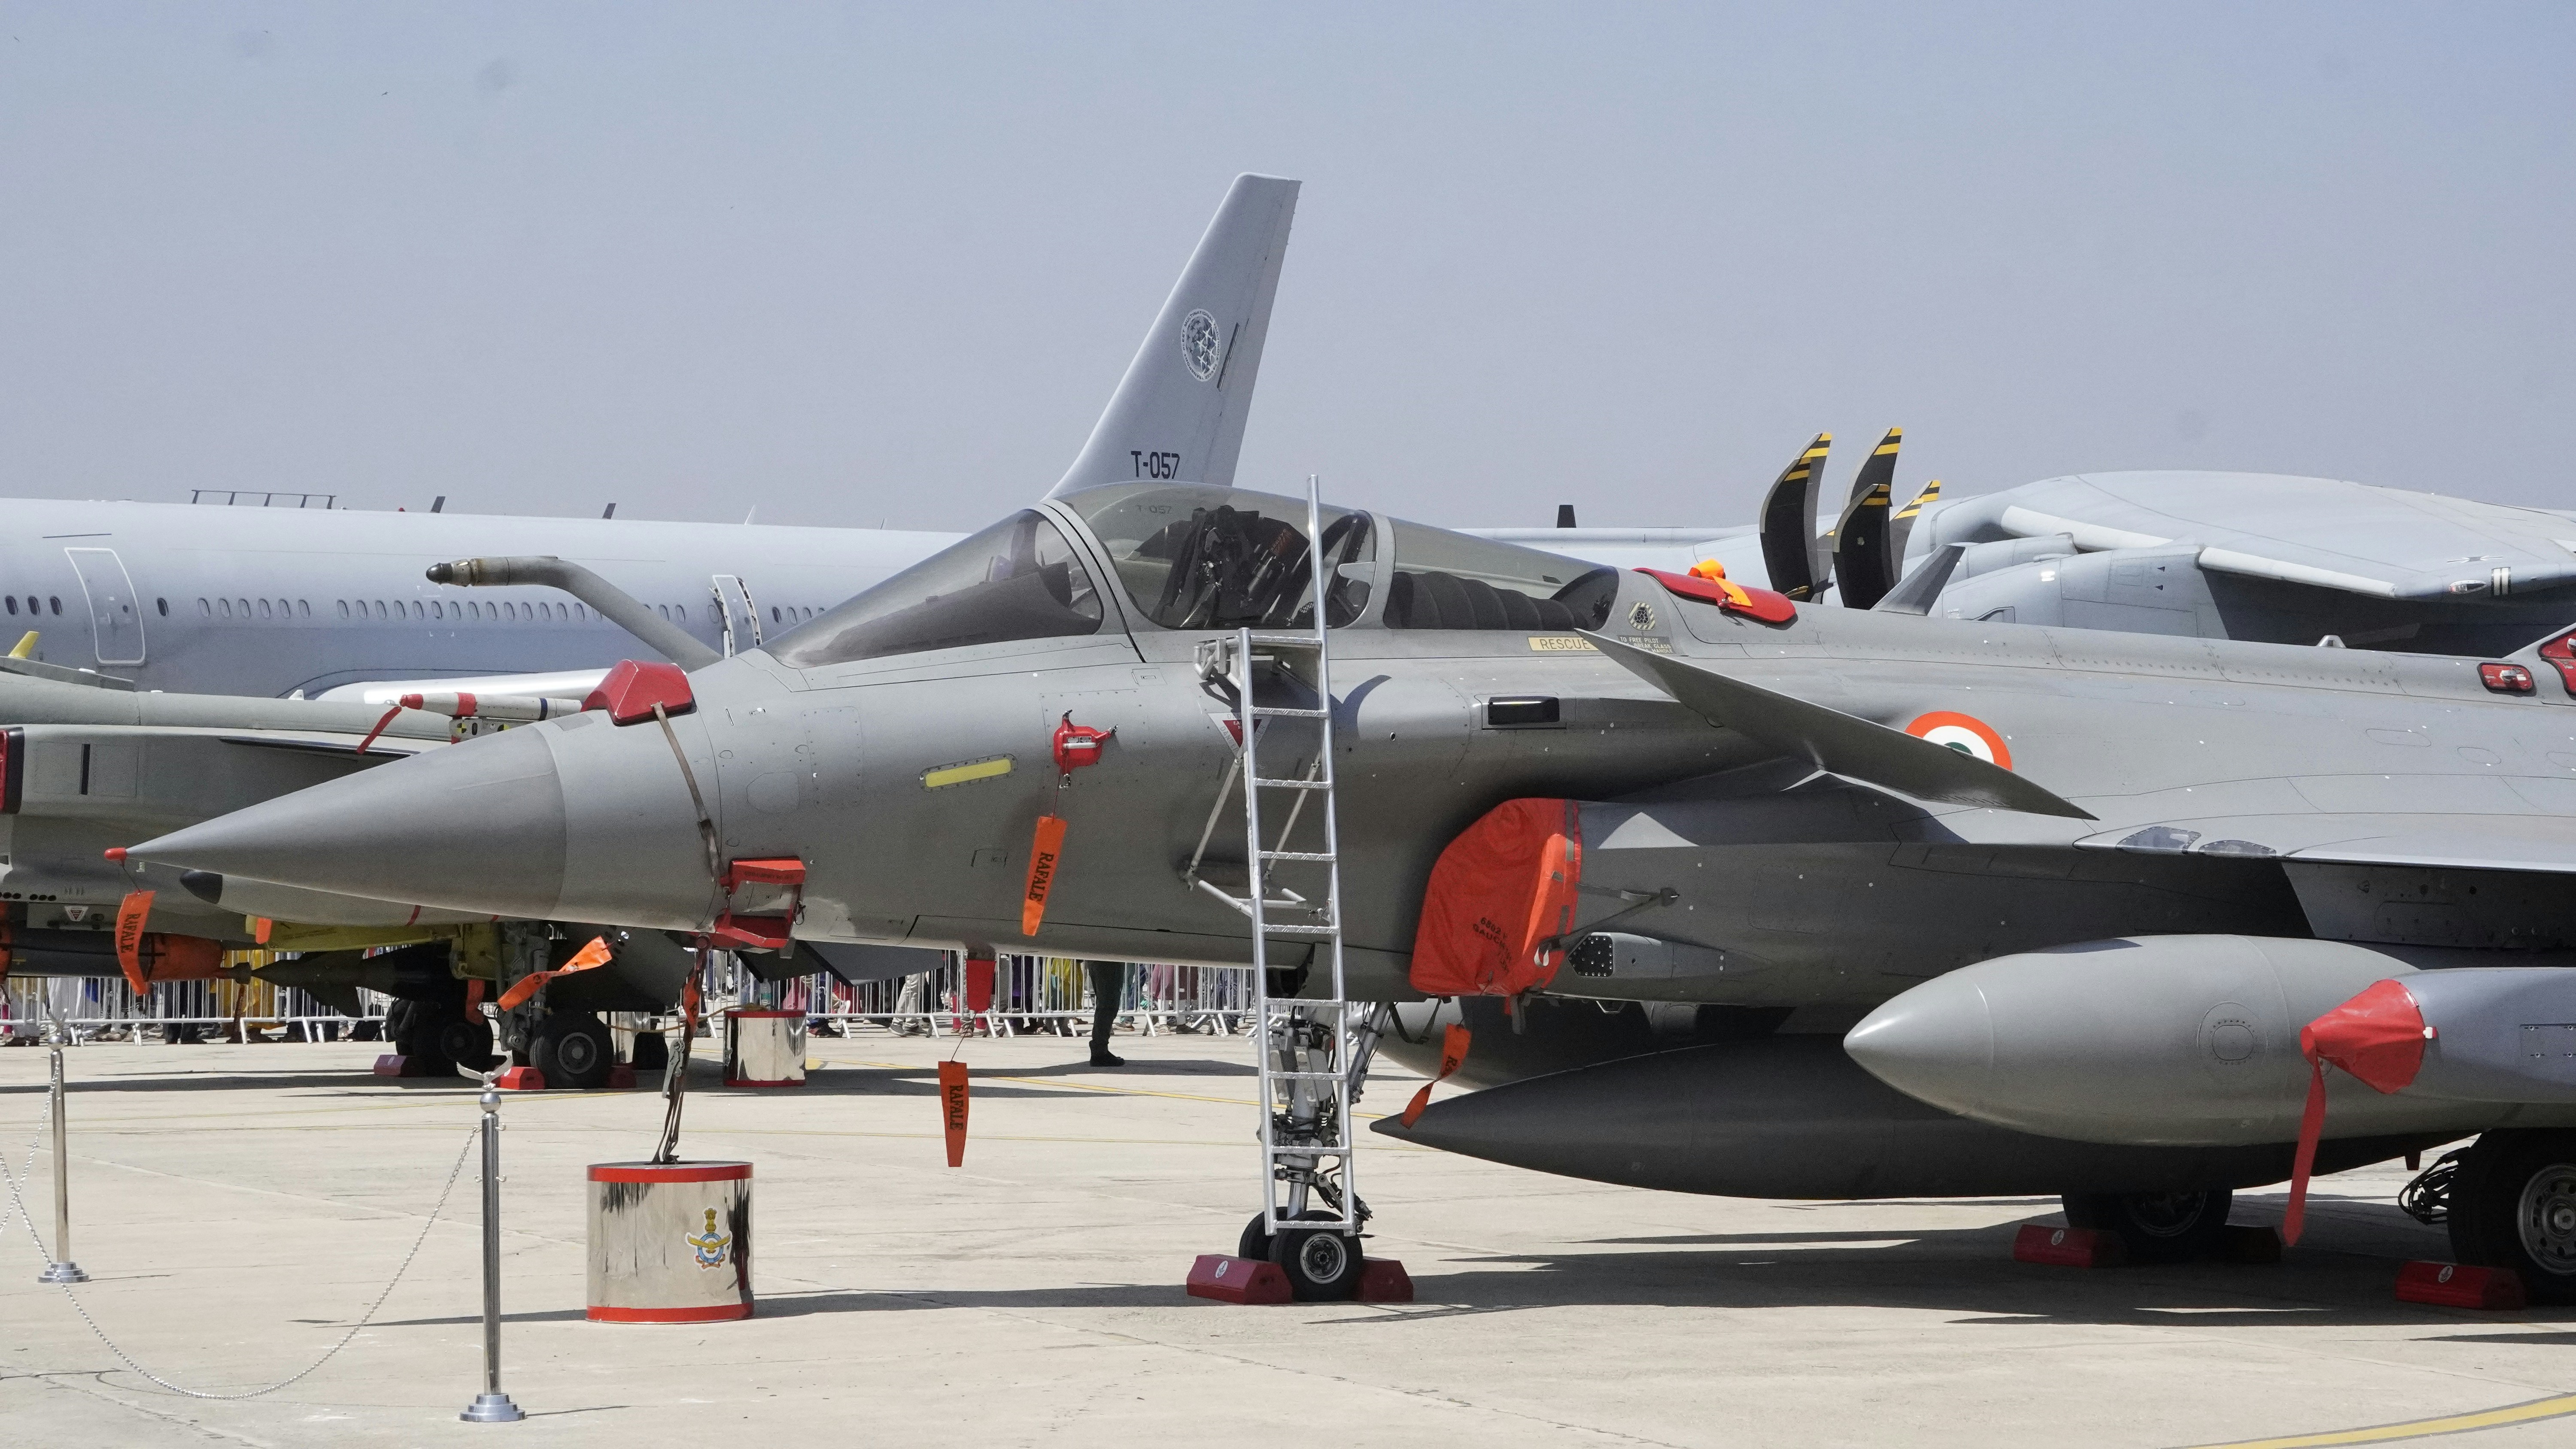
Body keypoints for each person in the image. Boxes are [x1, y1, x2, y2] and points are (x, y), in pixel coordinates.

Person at [1085, 960, 1125, 1067]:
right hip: (1108, 961)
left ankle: (1100, 1049)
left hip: (1099, 960)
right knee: (1108, 1005)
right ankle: (1099, 1051)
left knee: (1106, 1005)